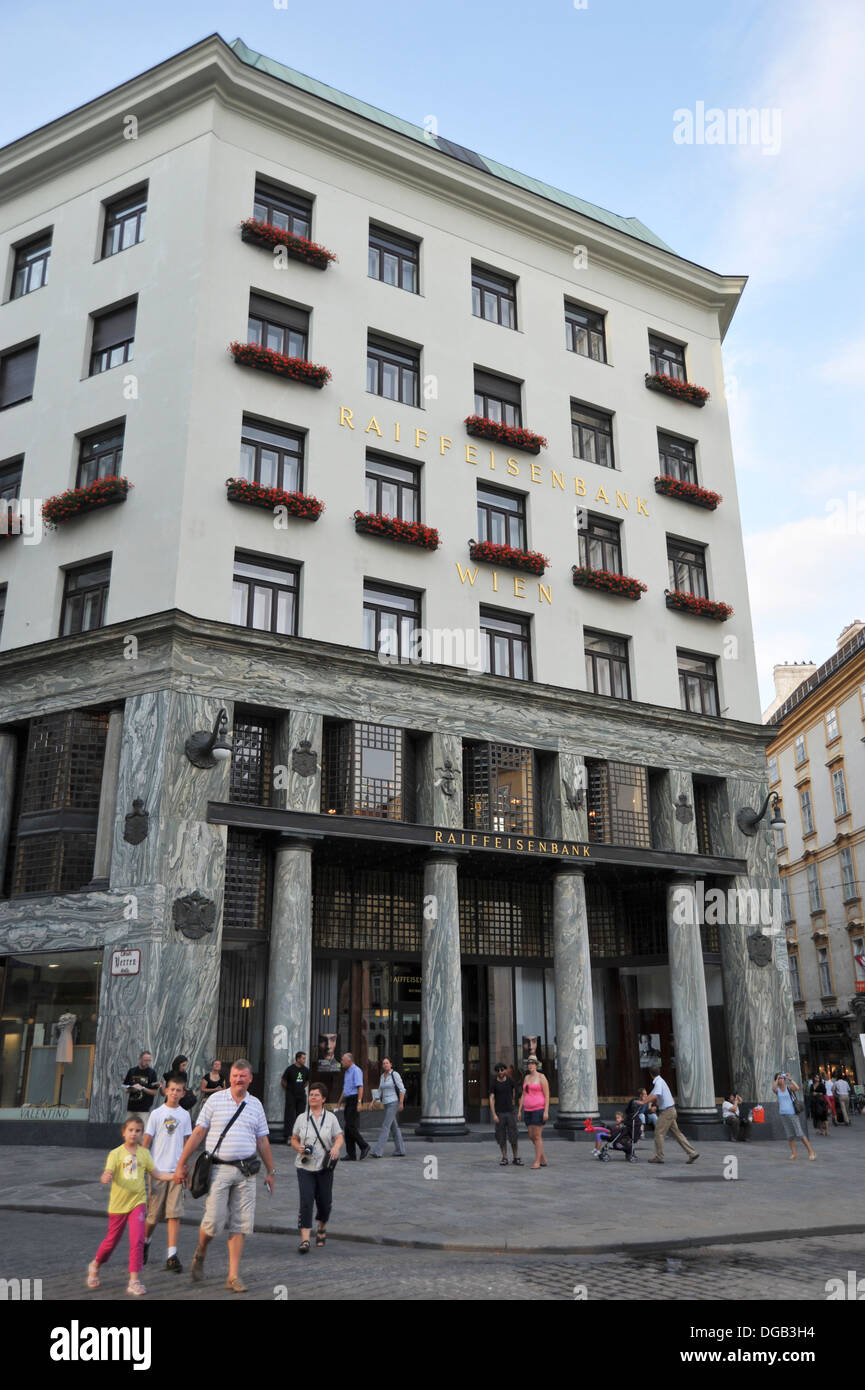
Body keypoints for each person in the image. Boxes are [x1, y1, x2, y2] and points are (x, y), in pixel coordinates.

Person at [173, 1059, 276, 1293]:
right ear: (229, 1078)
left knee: (240, 1225)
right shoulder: (215, 1101)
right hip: (218, 1170)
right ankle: (201, 1251)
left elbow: (262, 1140)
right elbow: (199, 1132)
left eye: (243, 1076)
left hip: (247, 1173)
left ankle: (233, 1275)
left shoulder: (256, 1105)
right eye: (235, 1076)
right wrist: (182, 1162)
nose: (239, 1079)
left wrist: (271, 1171)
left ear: (250, 1079)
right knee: (212, 1223)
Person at [86, 1116, 175, 1296]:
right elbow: (108, 1170)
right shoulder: (116, 1153)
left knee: (137, 1240)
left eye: (138, 1131)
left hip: (138, 1202)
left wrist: (174, 1176)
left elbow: (156, 1173)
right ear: (124, 1132)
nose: (134, 1134)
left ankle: (134, 1281)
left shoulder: (144, 1153)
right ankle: (95, 1264)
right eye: (131, 1130)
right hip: (118, 1205)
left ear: (142, 1133)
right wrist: (106, 1176)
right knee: (111, 1241)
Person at [142, 1073, 192, 1272]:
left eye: (178, 1090)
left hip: (177, 1171)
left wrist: (185, 1165)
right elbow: (147, 1141)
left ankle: (172, 1255)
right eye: (172, 1089)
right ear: (165, 1090)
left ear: (183, 1093)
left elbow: (188, 1142)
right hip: (157, 1170)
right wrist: (142, 1164)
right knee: (153, 1215)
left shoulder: (185, 1115)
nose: (174, 1093)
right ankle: (145, 1241)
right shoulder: (157, 1114)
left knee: (174, 1213)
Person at [291, 1081, 344, 1252]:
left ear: (323, 1099)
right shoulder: (301, 1118)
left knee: (325, 1202)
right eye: (311, 1094)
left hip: (324, 1167)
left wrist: (336, 1148)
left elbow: (339, 1137)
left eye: (316, 1095)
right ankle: (305, 1240)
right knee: (306, 1201)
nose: (312, 1097)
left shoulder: (331, 1118)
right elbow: (293, 1138)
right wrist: (297, 1147)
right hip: (304, 1166)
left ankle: (321, 1225)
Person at [645, 1065, 699, 1165]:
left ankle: (659, 1156)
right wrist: (647, 1100)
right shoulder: (660, 1081)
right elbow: (652, 1094)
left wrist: (642, 1102)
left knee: (659, 1133)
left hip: (667, 1112)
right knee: (677, 1134)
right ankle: (692, 1153)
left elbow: (655, 1095)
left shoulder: (658, 1082)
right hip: (671, 1110)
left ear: (650, 1074)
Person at [773, 1072, 816, 1160]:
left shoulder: (789, 1088)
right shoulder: (777, 1090)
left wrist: (790, 1079)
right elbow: (773, 1089)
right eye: (779, 1079)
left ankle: (811, 1152)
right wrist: (777, 1079)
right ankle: (794, 1154)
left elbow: (797, 1087)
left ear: (784, 1080)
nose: (780, 1080)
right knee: (790, 1135)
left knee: (800, 1133)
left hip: (792, 1113)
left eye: (781, 1078)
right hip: (783, 1114)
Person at [370, 1057, 407, 1158]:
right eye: (383, 1063)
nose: (385, 1065)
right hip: (386, 1104)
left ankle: (378, 1151)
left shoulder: (395, 1074)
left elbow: (402, 1089)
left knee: (385, 1126)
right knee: (394, 1127)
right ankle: (400, 1150)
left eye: (387, 1063)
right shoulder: (382, 1076)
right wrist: (373, 1101)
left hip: (393, 1103)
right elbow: (380, 1090)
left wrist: (401, 1103)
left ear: (391, 1064)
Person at [517, 1056, 549, 1169]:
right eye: (529, 1063)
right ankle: (543, 1157)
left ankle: (537, 1162)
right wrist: (520, 1110)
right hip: (528, 1109)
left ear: (536, 1065)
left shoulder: (541, 1077)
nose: (530, 1065)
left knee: (537, 1135)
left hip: (538, 1109)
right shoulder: (526, 1077)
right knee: (531, 1136)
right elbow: (523, 1094)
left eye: (532, 1063)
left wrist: (546, 1111)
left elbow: (547, 1095)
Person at [337, 1052, 370, 1160]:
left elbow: (360, 1087)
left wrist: (359, 1102)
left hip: (355, 1099)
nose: (341, 1062)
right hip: (348, 1100)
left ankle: (364, 1145)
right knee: (347, 1128)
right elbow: (345, 1088)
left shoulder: (356, 1070)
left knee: (351, 1126)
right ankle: (351, 1154)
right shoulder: (347, 1072)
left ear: (349, 1061)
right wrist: (340, 1101)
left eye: (343, 1060)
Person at [490, 1062, 521, 1166]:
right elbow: (491, 1098)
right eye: (498, 1070)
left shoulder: (510, 1081)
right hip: (499, 1113)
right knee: (501, 1136)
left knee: (513, 1136)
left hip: (510, 1112)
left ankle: (516, 1157)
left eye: (502, 1070)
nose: (500, 1072)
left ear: (505, 1070)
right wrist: (494, 1114)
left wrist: (512, 1101)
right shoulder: (494, 1083)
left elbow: (514, 1091)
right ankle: (504, 1158)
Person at [281, 1051, 310, 1145]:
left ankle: (300, 1136)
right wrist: (290, 1090)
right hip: (291, 1095)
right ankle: (289, 1136)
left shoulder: (306, 1070)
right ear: (297, 1059)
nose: (304, 1060)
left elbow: (307, 1082)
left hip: (301, 1095)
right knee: (289, 1115)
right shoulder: (290, 1069)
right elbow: (283, 1081)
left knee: (301, 1116)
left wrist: (300, 1088)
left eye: (305, 1058)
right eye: (303, 1058)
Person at [121, 1051, 159, 1115]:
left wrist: (142, 1088)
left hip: (144, 1109)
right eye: (145, 1060)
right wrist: (132, 1089)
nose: (147, 1063)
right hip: (131, 1107)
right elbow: (125, 1088)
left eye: (149, 1060)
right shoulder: (132, 1071)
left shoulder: (152, 1073)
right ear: (140, 1059)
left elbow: (154, 1092)